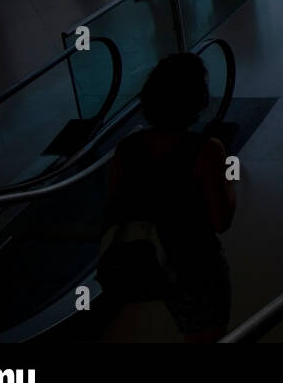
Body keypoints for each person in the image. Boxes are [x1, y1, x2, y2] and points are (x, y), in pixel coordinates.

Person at [101, 52, 235, 342]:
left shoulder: (127, 148)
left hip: (153, 261)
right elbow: (221, 220)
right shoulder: (207, 151)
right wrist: (230, 185)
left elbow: (117, 207)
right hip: (196, 265)